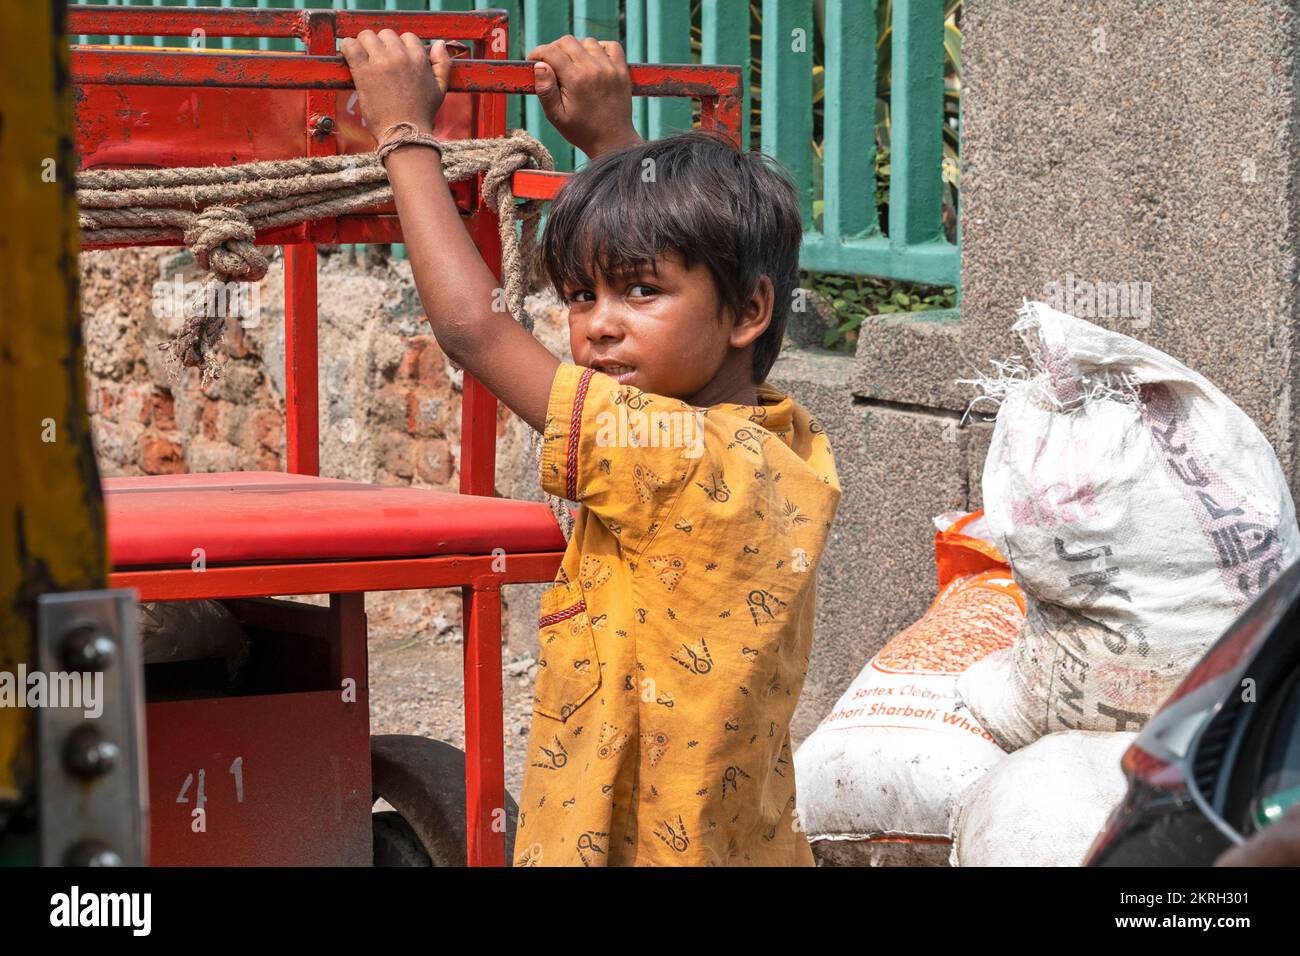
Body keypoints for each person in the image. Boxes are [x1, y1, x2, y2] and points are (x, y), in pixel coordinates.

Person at [341, 30, 841, 866]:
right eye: (580, 295)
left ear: (750, 313)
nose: (600, 323)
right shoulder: (781, 438)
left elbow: (473, 328)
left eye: (639, 292)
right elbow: (696, 267)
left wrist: (403, 135)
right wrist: (613, 142)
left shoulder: (666, 450)